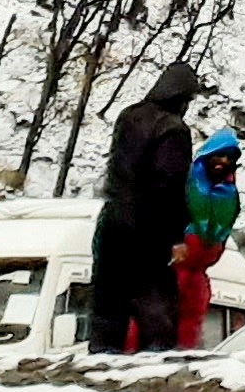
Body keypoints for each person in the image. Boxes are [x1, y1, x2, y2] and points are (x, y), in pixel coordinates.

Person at [86, 63, 202, 353]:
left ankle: (98, 372)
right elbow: (169, 188)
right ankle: (153, 380)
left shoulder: (128, 116)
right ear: (181, 98)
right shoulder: (173, 129)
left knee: (107, 312)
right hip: (148, 232)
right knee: (157, 318)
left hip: (112, 224)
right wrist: (177, 238)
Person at [171, 129, 245, 349]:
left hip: (199, 268)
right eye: (219, 154)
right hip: (175, 266)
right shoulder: (187, 182)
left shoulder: (229, 191)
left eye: (229, 157)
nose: (223, 161)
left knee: (192, 320)